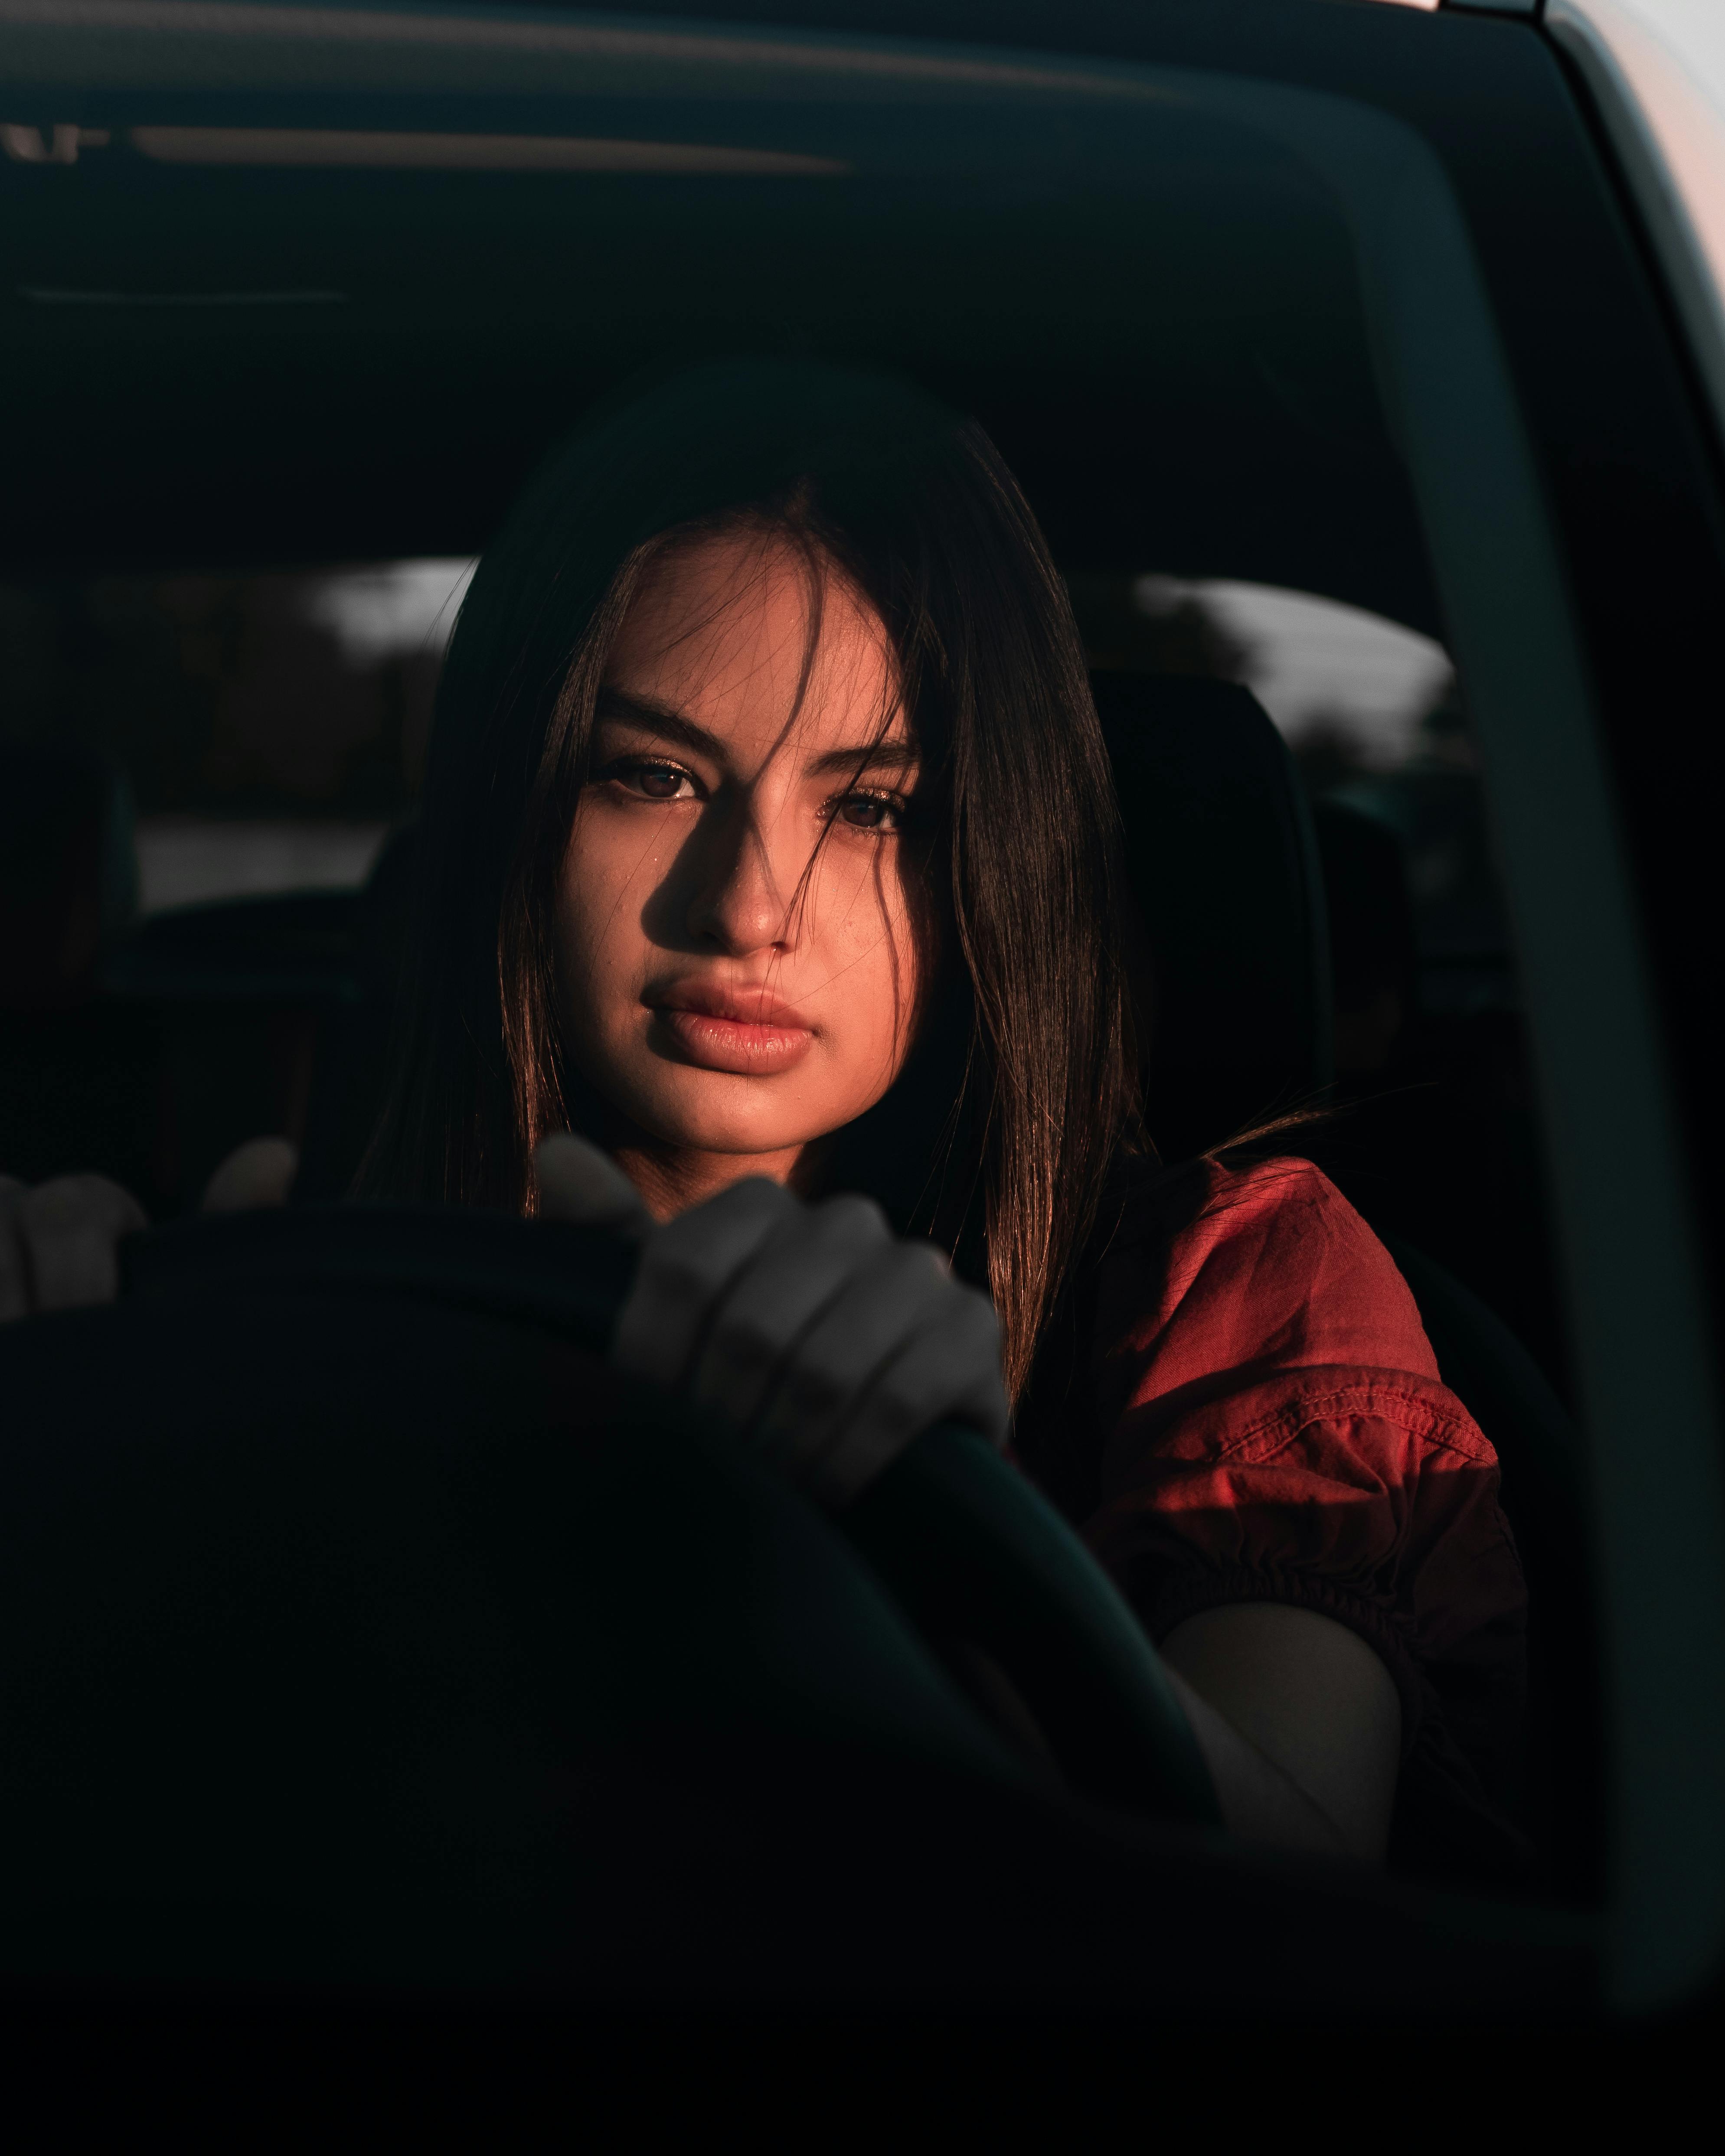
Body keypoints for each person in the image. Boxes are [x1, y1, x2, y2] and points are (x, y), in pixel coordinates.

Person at [0, 362, 1525, 1879]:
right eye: (654, 777)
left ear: (996, 850)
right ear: (518, 817)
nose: (744, 910)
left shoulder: (1225, 1294)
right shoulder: (274, 1272)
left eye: (872, 810)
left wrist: (934, 1517)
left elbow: (1307, 1904)